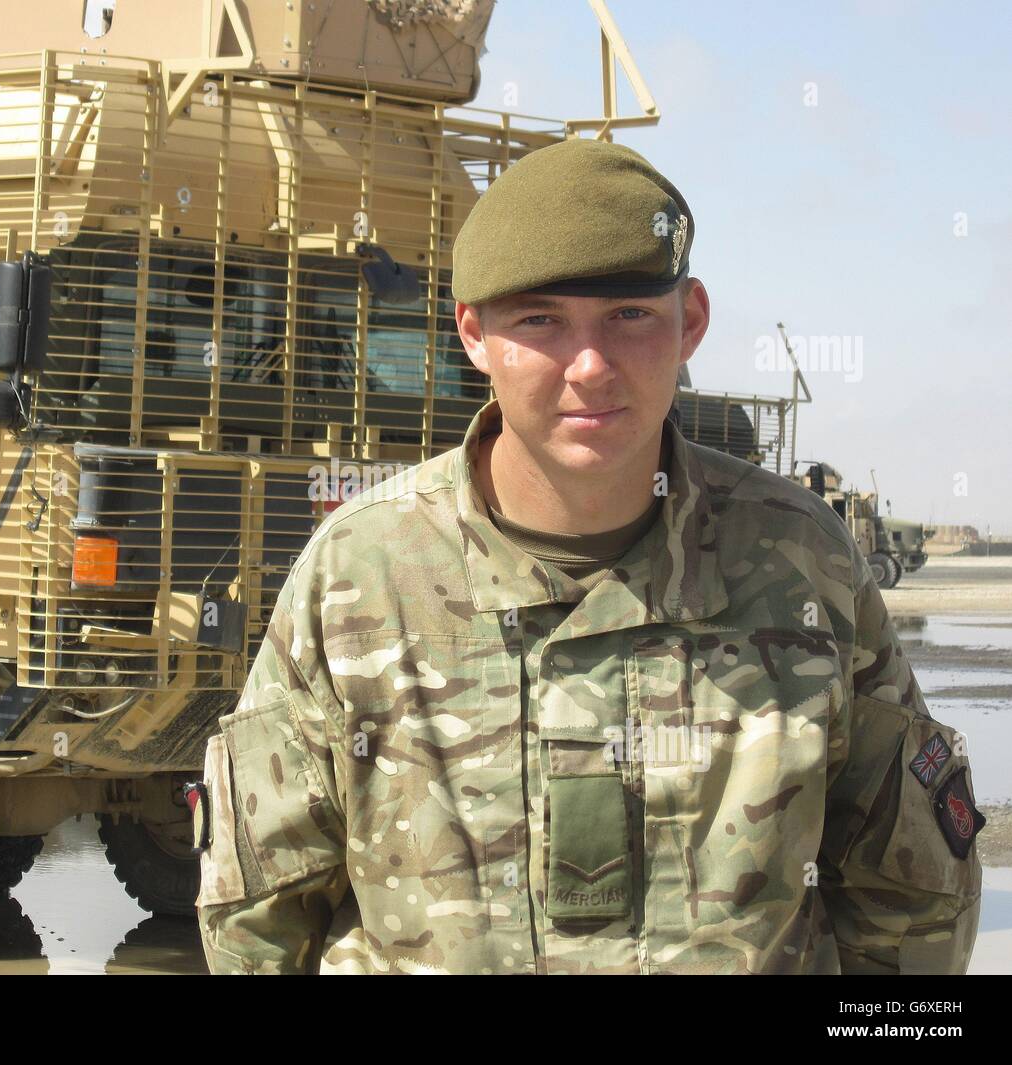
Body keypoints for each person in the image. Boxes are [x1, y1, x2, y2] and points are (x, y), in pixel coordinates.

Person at [188, 137, 984, 974]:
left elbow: (912, 903)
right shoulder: (359, 575)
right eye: (541, 321)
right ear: (474, 334)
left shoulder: (801, 564)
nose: (591, 365)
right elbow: (258, 920)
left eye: (630, 315)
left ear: (692, 322)